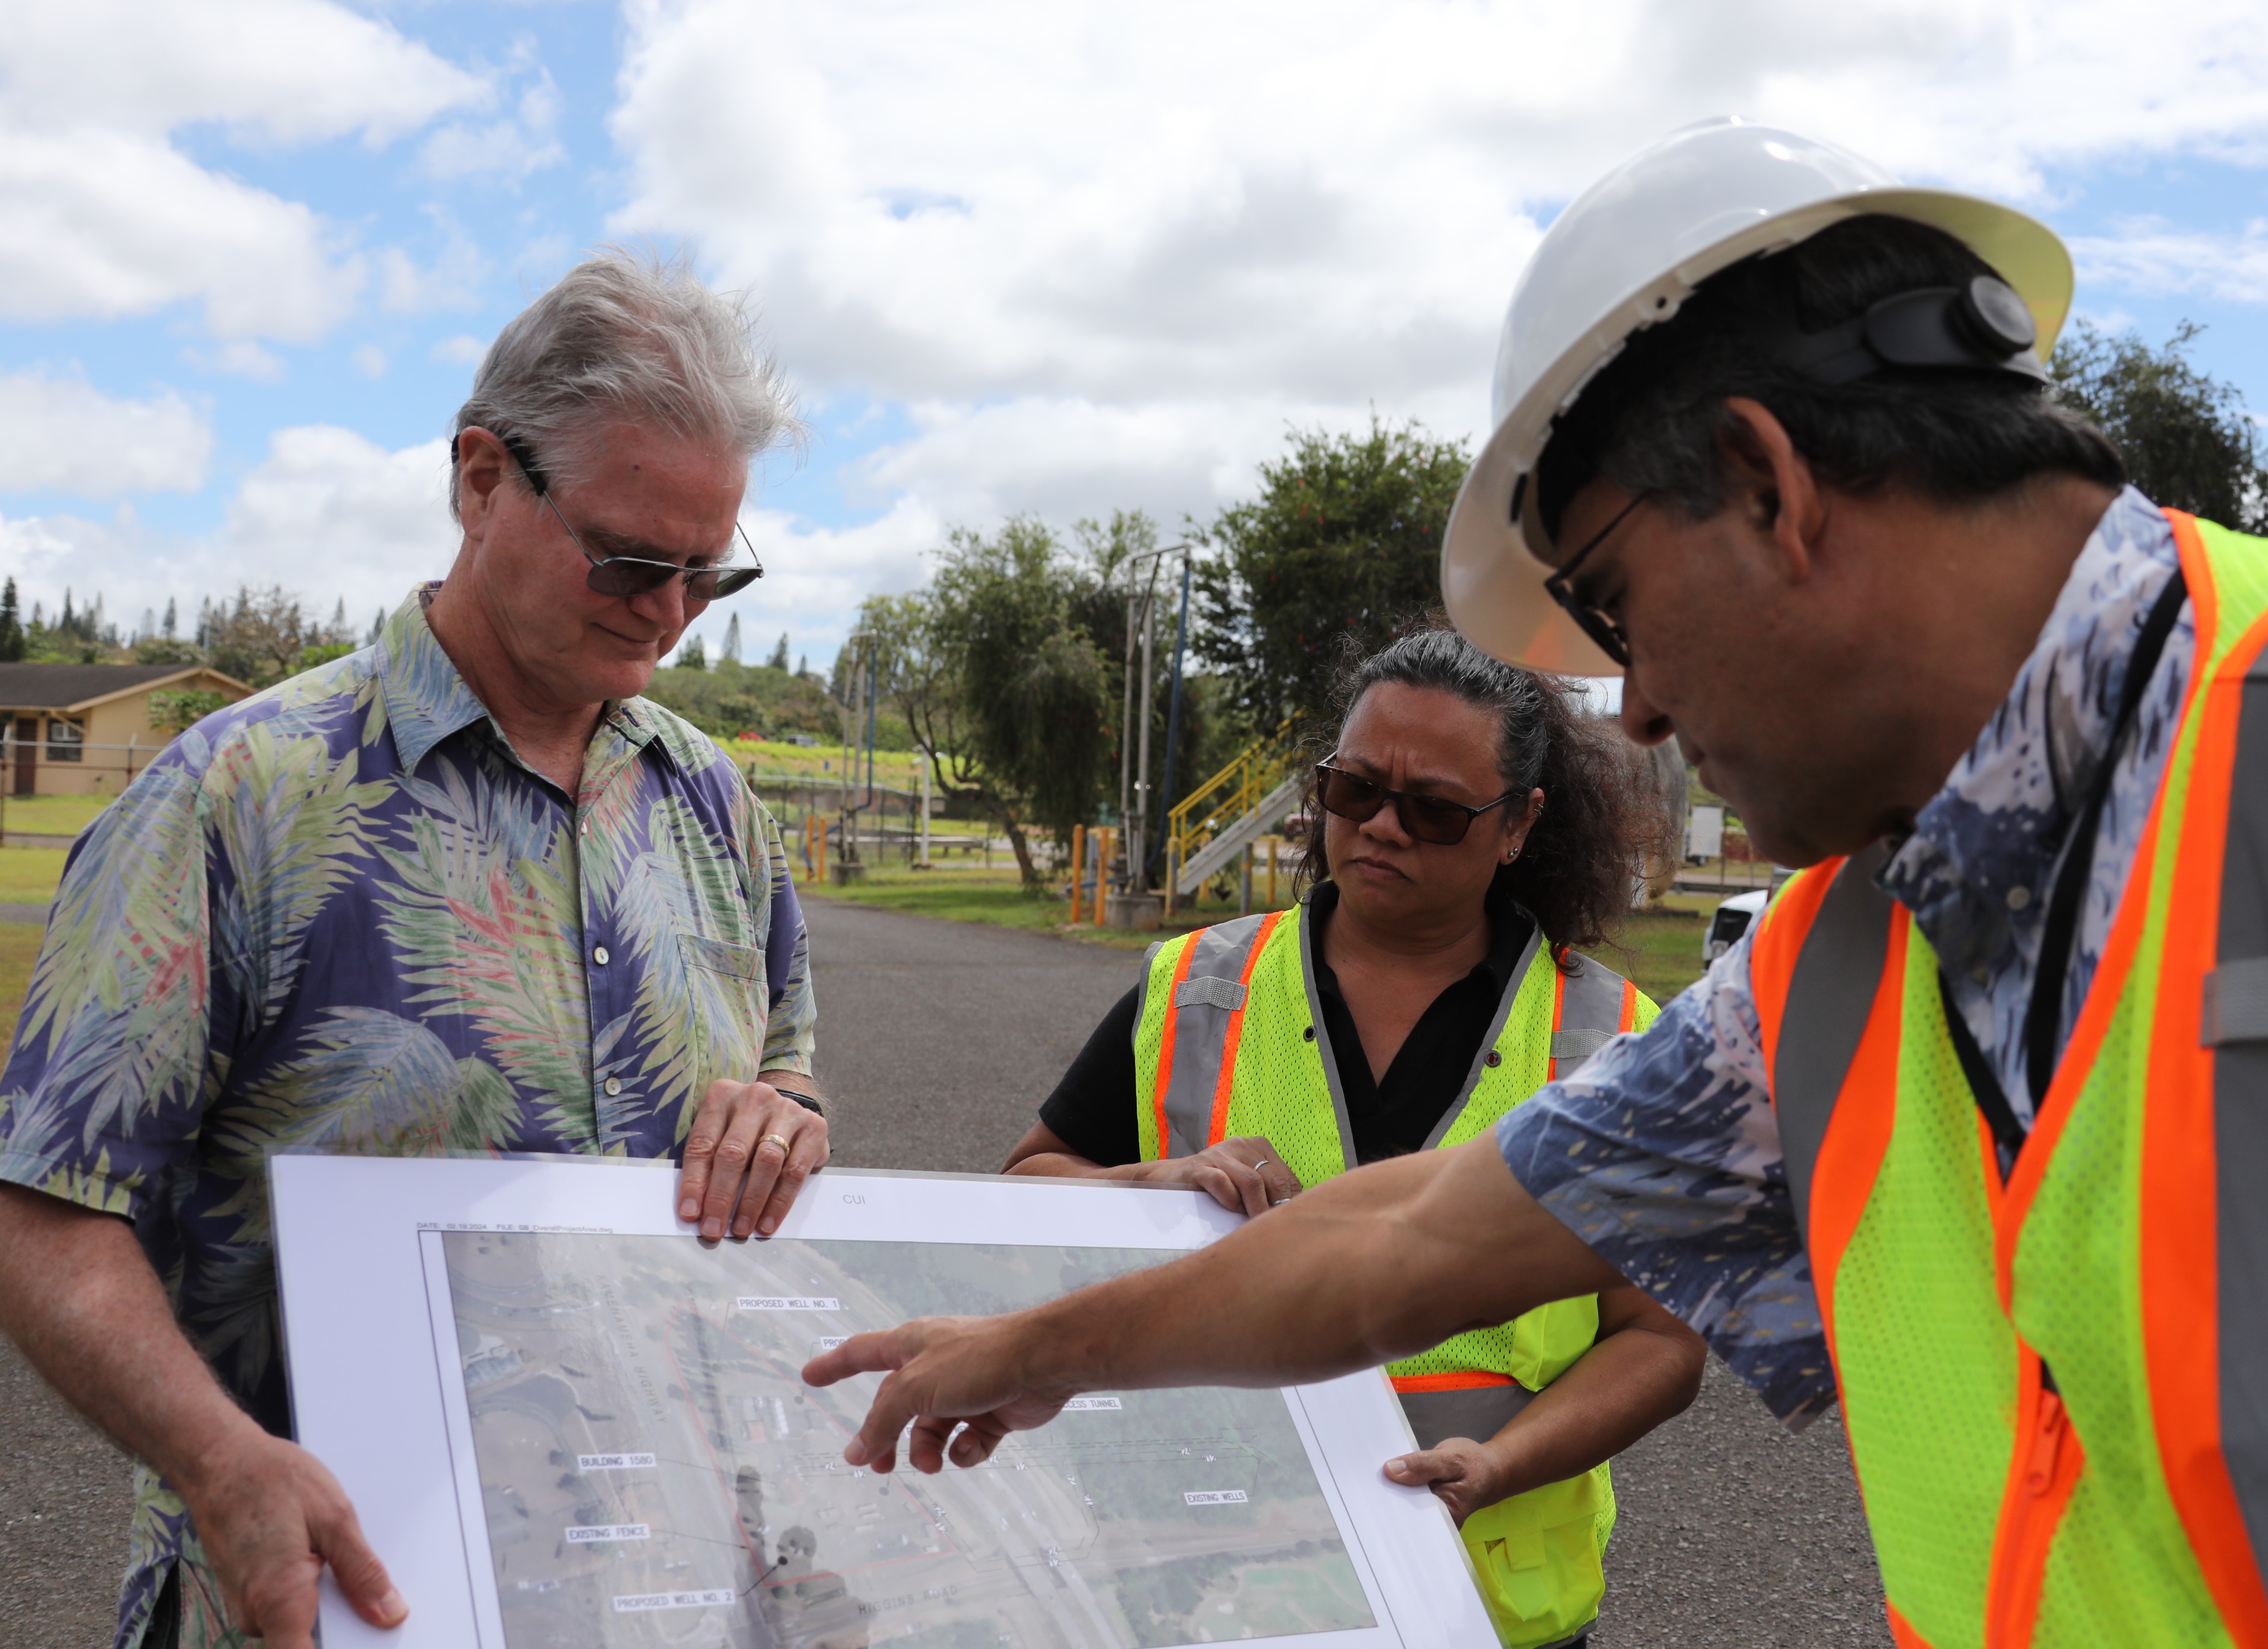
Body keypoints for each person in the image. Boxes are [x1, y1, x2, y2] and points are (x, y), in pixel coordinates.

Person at [809, 120, 2268, 1645]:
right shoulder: (1836, 968)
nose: (1631, 713)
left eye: (1619, 610)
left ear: (1769, 480)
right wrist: (1034, 1347)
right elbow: (1415, 1234)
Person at [0, 251, 833, 1649]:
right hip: (320, 1598)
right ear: (481, 478)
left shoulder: (716, 803)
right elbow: (42, 1211)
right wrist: (217, 1457)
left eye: (709, 571)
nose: (668, 609)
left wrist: (789, 1112)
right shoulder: (236, 802)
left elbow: (789, 1063)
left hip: (655, 1586)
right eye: (631, 558)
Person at [1002, 628, 1702, 1647]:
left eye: (1432, 809)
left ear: (1518, 825)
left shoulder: (1617, 1042)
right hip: (1207, 1591)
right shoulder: (1198, 990)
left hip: (1490, 1601)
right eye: (1354, 790)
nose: (1382, 827)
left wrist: (1500, 1469)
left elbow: (1662, 1341)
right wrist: (1150, 1180)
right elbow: (1024, 1186)